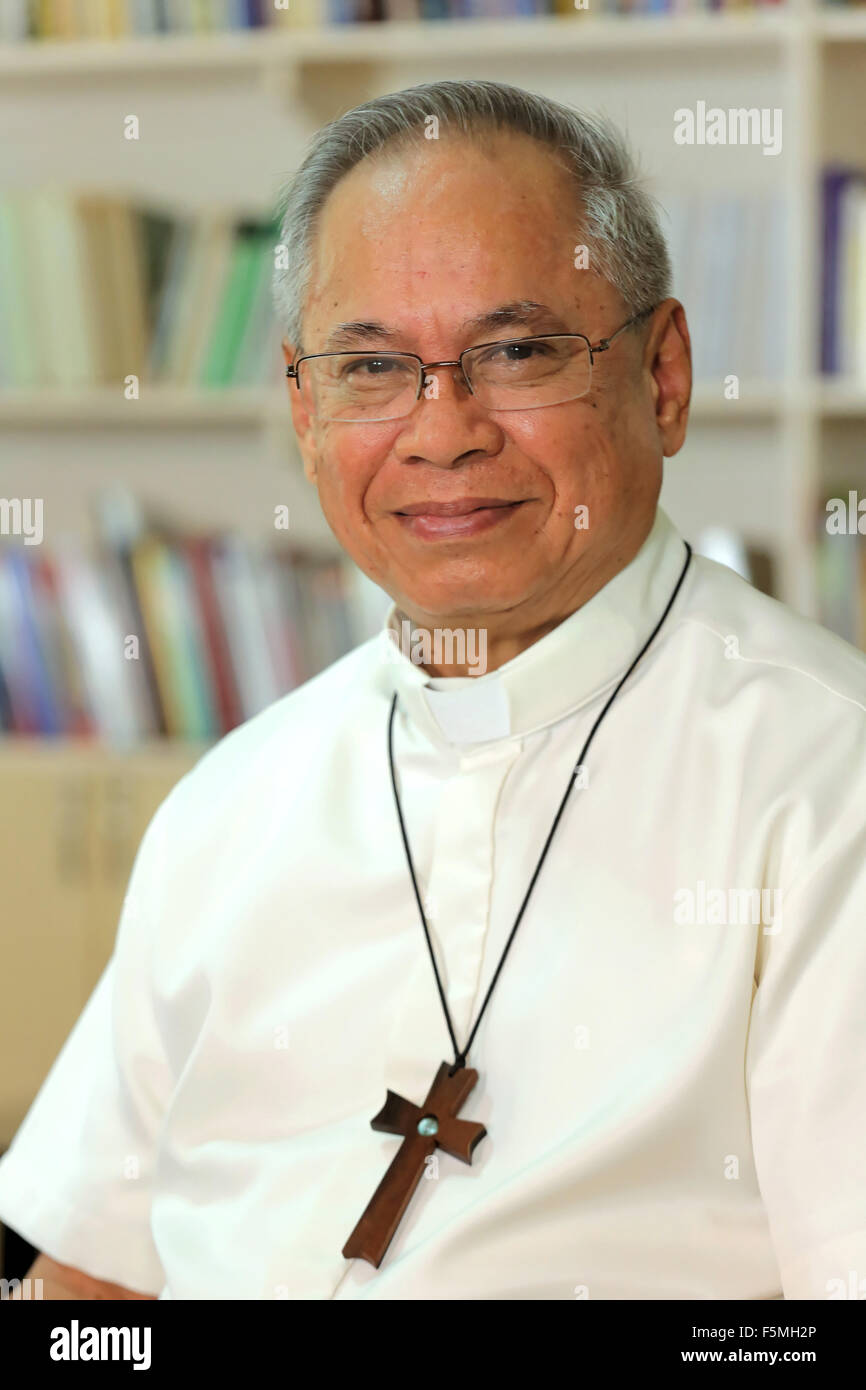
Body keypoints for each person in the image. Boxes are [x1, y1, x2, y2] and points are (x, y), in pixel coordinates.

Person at [1, 79, 864, 1301]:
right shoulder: (228, 803)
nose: (441, 428)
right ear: (303, 417)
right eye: (369, 368)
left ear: (661, 377)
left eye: (514, 351)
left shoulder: (828, 788)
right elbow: (89, 1283)